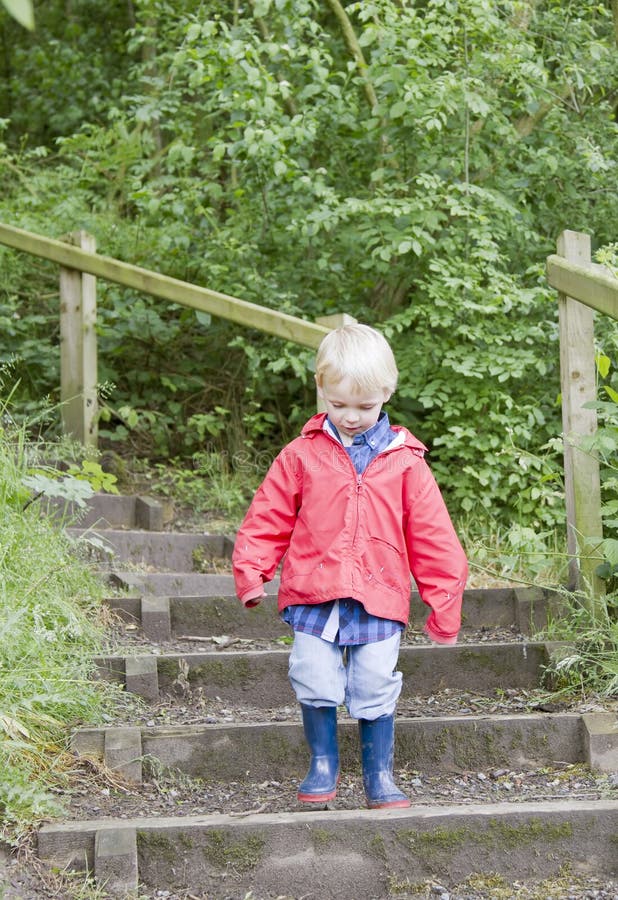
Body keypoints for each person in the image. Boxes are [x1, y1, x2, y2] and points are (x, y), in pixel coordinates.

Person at [232, 323, 468, 809]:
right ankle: (323, 763)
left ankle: (378, 773)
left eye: (365, 406)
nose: (352, 417)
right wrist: (253, 570)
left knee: (376, 681)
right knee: (314, 675)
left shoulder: (405, 463)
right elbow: (268, 516)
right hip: (314, 590)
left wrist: (443, 602)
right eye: (338, 405)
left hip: (379, 592)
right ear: (322, 390)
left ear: (387, 392)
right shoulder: (302, 455)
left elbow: (433, 536)